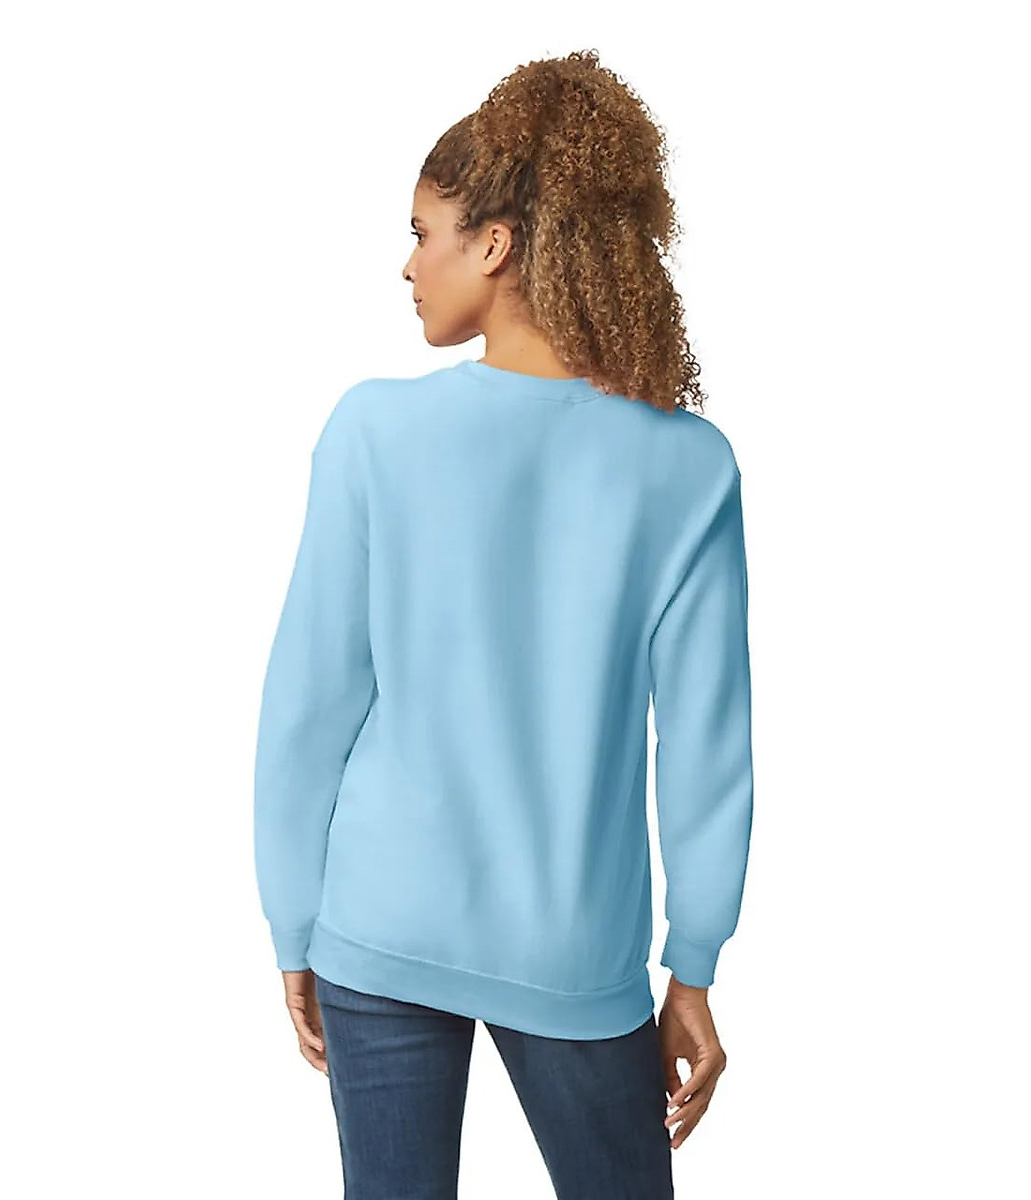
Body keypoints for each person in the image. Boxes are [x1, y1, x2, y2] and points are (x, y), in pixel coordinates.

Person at [253, 49, 754, 1198]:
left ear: (495, 244)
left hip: (378, 922)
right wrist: (693, 964)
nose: (407, 264)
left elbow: (309, 708)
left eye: (422, 232)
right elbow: (707, 745)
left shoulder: (374, 432)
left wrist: (295, 920)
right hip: (570, 946)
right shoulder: (687, 468)